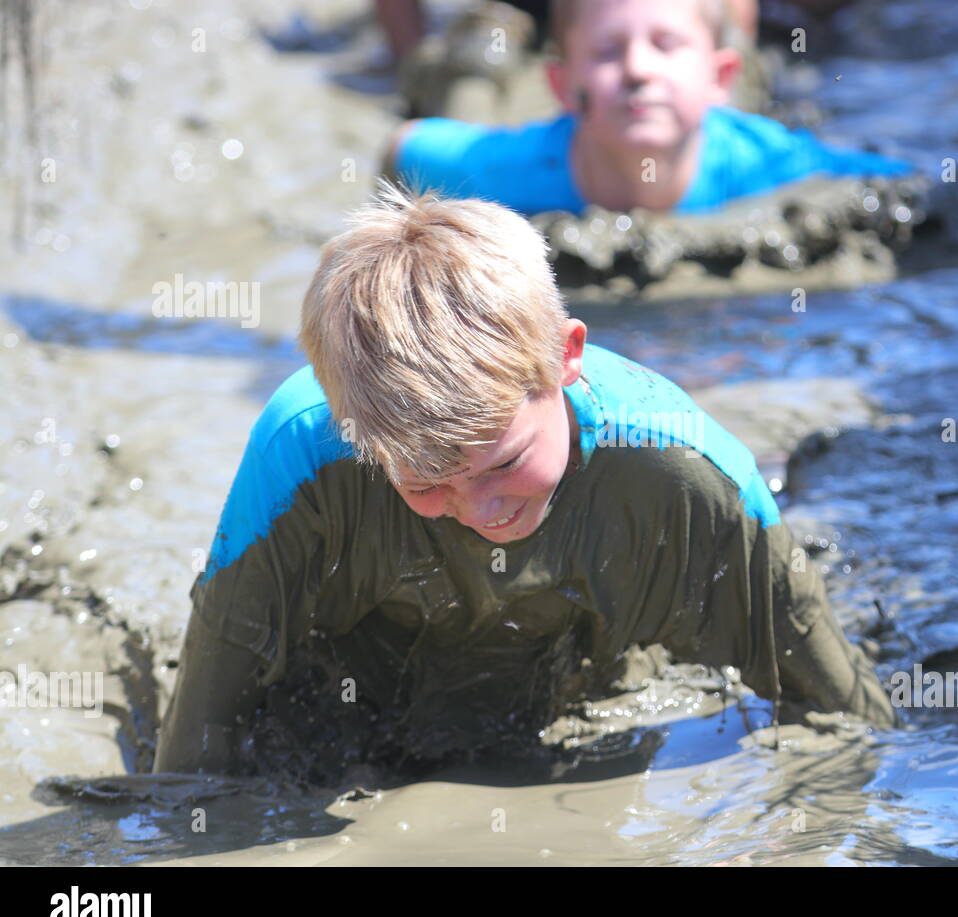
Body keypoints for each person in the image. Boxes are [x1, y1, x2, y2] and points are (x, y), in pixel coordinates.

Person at [152, 185, 896, 781]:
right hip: (353, 691)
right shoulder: (301, 461)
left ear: (568, 357)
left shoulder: (686, 475)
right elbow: (191, 761)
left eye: (504, 462)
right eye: (427, 479)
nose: (482, 508)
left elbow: (847, 718)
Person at [385, 0, 911, 217]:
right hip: (522, 28)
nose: (638, 69)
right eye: (609, 52)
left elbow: (902, 183)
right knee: (473, 69)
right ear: (562, 85)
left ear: (719, 79)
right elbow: (403, 147)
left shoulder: (773, 164)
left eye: (665, 45)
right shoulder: (502, 171)